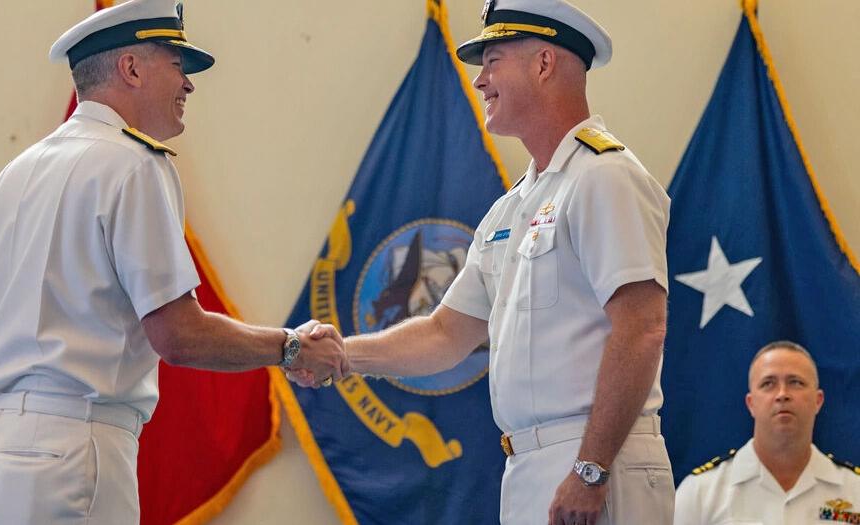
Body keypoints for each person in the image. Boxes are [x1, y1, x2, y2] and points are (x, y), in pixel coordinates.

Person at [0, 1, 347, 523]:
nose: (188, 85)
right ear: (131, 69)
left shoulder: (6, 182)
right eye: (177, 64)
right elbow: (178, 335)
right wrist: (291, 346)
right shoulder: (131, 163)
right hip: (74, 454)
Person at [290, 0, 674, 523]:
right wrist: (341, 354)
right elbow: (445, 334)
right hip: (530, 468)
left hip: (598, 464)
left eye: (492, 60)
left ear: (543, 63)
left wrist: (591, 467)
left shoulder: (605, 176)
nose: (479, 81)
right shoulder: (512, 207)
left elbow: (642, 329)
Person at [674, 341, 860, 525]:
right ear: (751, 403)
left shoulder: (855, 490)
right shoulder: (700, 493)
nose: (782, 394)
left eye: (795, 382)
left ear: (818, 401)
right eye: (768, 383)